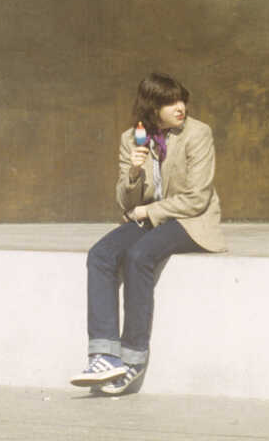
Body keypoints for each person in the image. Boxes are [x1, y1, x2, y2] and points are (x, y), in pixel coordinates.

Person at [71, 71, 224, 394]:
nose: (179, 107)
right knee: (100, 255)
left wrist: (147, 212)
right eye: (169, 102)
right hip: (149, 217)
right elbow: (124, 203)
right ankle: (104, 355)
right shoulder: (132, 138)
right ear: (152, 108)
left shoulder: (198, 133)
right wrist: (134, 172)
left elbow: (197, 198)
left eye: (181, 99)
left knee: (139, 255)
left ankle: (133, 358)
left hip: (191, 220)